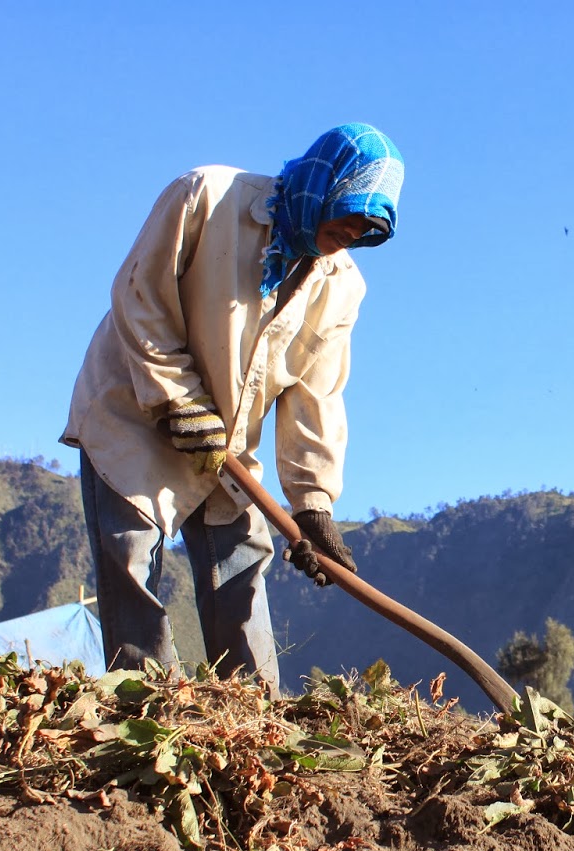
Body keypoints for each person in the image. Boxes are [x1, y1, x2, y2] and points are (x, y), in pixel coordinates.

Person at [61, 124, 403, 690]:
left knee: (241, 562)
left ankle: (252, 710)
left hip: (226, 443)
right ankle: (146, 701)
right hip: (135, 409)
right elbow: (138, 296)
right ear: (322, 184)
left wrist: (312, 504)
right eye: (350, 210)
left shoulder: (341, 286)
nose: (353, 232)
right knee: (131, 558)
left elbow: (316, 397)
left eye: (370, 226)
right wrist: (179, 400)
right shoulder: (207, 196)